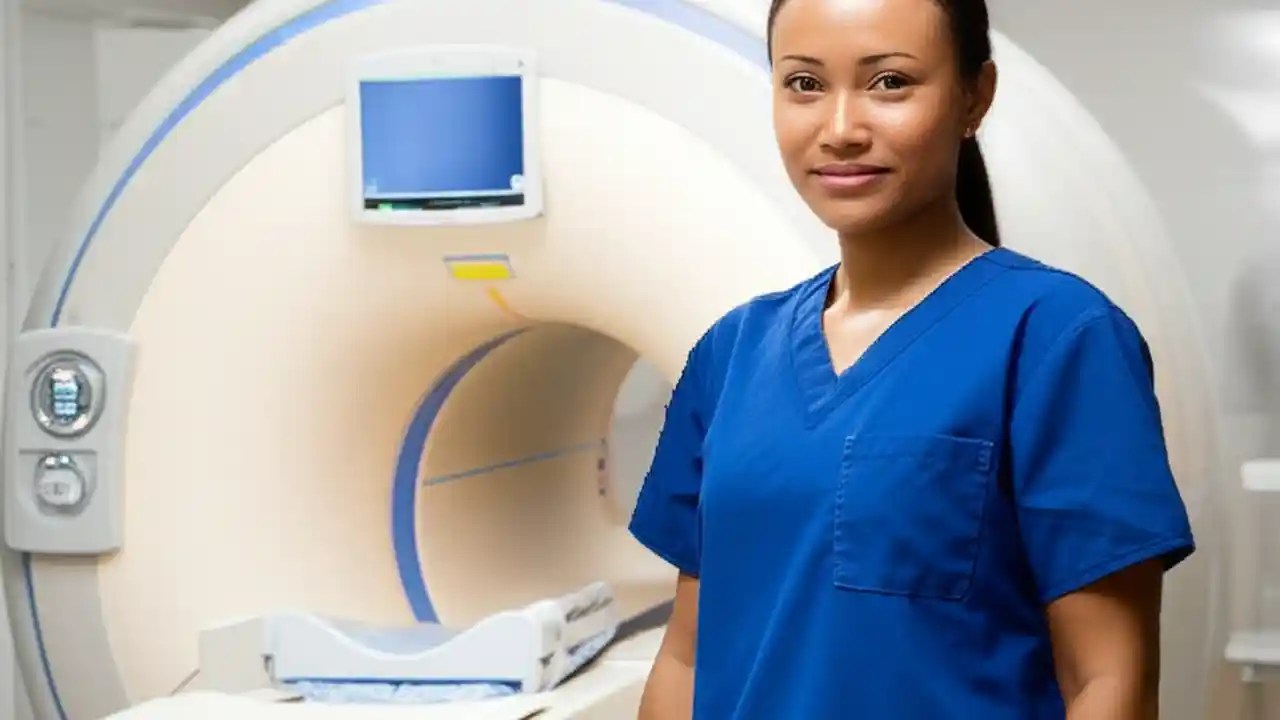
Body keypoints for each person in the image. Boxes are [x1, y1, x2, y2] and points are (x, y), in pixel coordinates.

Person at [626, 0, 1196, 717]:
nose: (840, 128)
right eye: (805, 84)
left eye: (889, 82)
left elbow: (1108, 681)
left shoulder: (1058, 337)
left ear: (974, 97)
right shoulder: (731, 352)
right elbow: (686, 657)